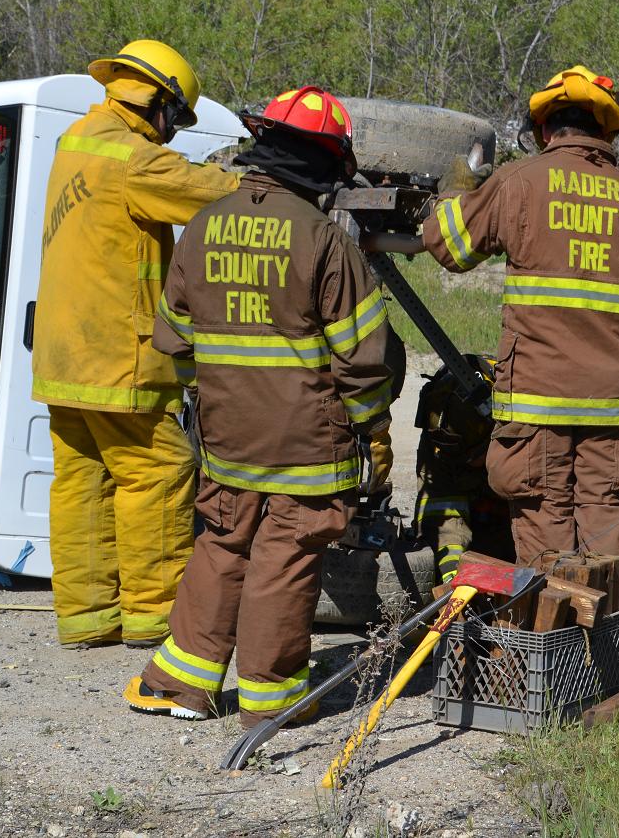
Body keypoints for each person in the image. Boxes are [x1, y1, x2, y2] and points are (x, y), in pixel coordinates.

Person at [124, 87, 394, 724]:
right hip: (306, 444)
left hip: (226, 436)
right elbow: (363, 360)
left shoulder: (204, 226)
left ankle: (177, 683)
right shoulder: (325, 241)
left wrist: (212, 396)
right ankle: (271, 698)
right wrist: (373, 430)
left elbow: (174, 338)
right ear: (323, 161)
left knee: (223, 543)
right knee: (284, 557)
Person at [377, 66, 619, 614]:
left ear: (543, 129)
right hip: (612, 405)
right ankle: (611, 643)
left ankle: (551, 651)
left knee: (543, 523)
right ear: (606, 131)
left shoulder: (521, 182)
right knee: (607, 522)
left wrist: (457, 191)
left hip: (536, 403)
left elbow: (449, 247)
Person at [32, 39, 239, 649]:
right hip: (117, 358)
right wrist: (265, 181)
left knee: (83, 480)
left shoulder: (77, 140)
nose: (174, 133)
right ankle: (153, 618)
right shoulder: (136, 159)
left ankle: (88, 617)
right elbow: (215, 195)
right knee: (161, 471)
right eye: (177, 119)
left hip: (64, 355)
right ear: (159, 104)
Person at [412, 355, 513, 582]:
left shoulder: (515, 432)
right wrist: (452, 577)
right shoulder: (440, 443)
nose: (461, 464)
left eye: (469, 458)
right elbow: (443, 514)